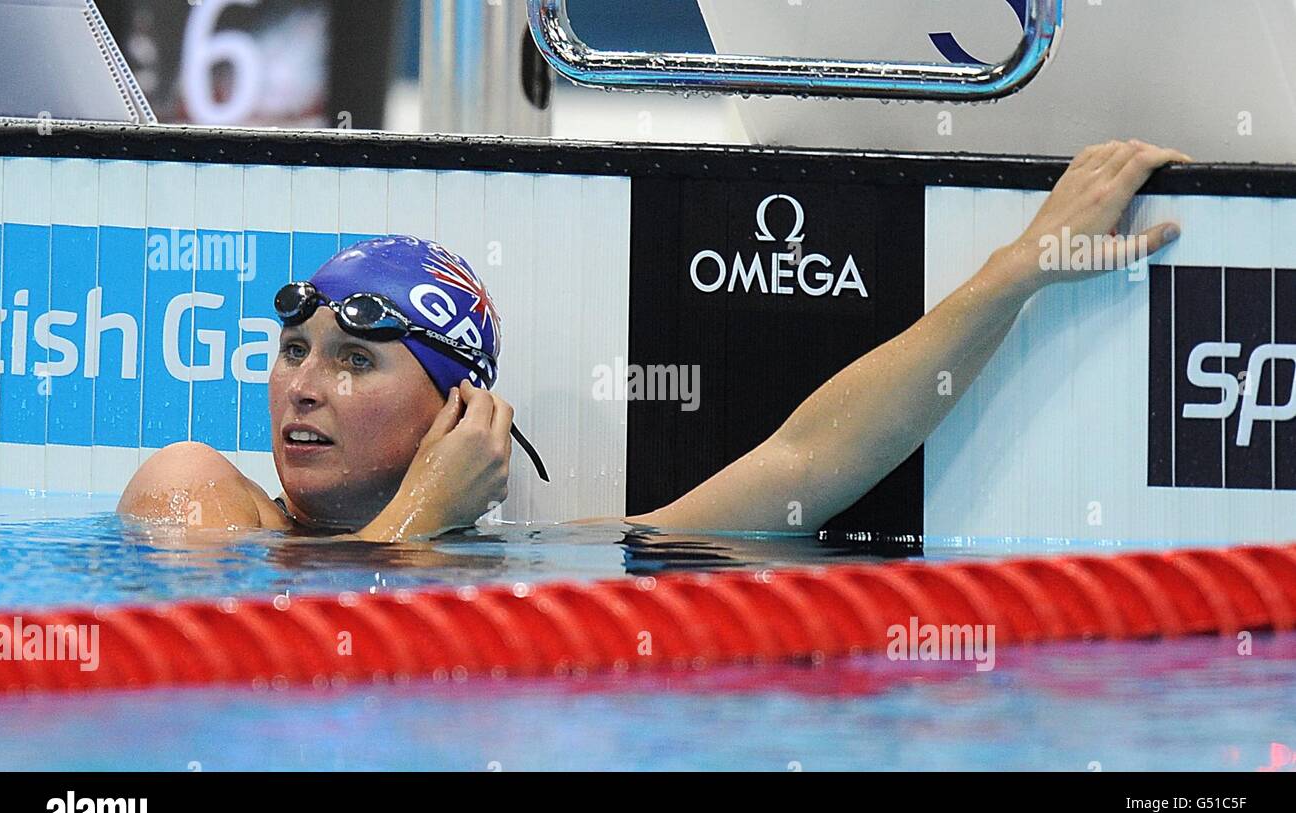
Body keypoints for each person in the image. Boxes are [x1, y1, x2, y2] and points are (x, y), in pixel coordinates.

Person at [117, 139, 1190, 542]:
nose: (303, 384)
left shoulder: (516, 565)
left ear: (461, 413)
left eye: (355, 359)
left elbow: (804, 464)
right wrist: (422, 518)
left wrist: (1017, 271)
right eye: (294, 350)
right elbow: (260, 663)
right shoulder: (196, 490)